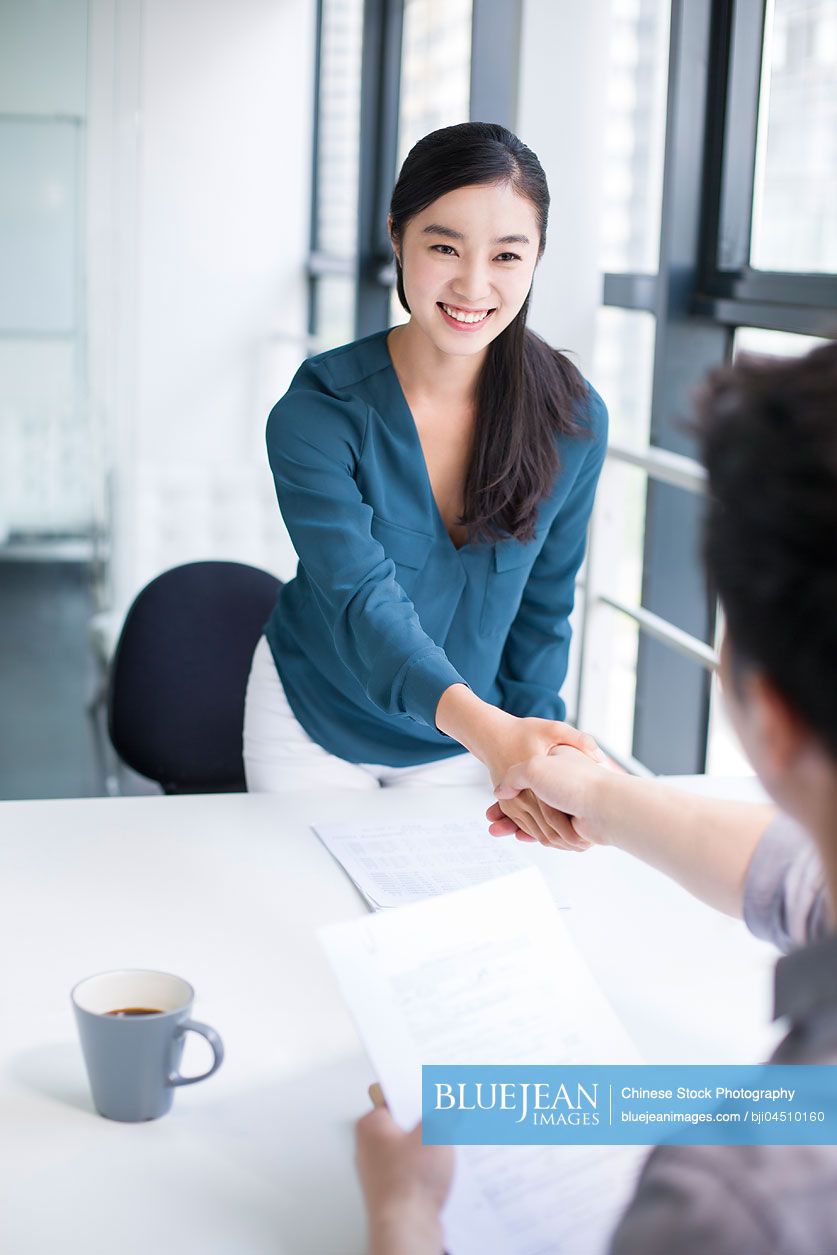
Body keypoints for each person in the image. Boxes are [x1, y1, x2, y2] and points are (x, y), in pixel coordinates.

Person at [355, 341, 837, 1253]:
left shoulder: (729, 1203)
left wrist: (402, 1209)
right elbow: (795, 878)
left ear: (763, 708)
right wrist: (599, 798)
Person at [243, 123, 607, 843]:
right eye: (444, 247)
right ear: (397, 238)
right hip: (315, 721)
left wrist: (539, 750)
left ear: (535, 258)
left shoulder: (571, 418)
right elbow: (361, 607)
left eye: (507, 254)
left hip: (465, 743)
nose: (474, 285)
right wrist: (496, 736)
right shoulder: (320, 411)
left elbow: (542, 609)